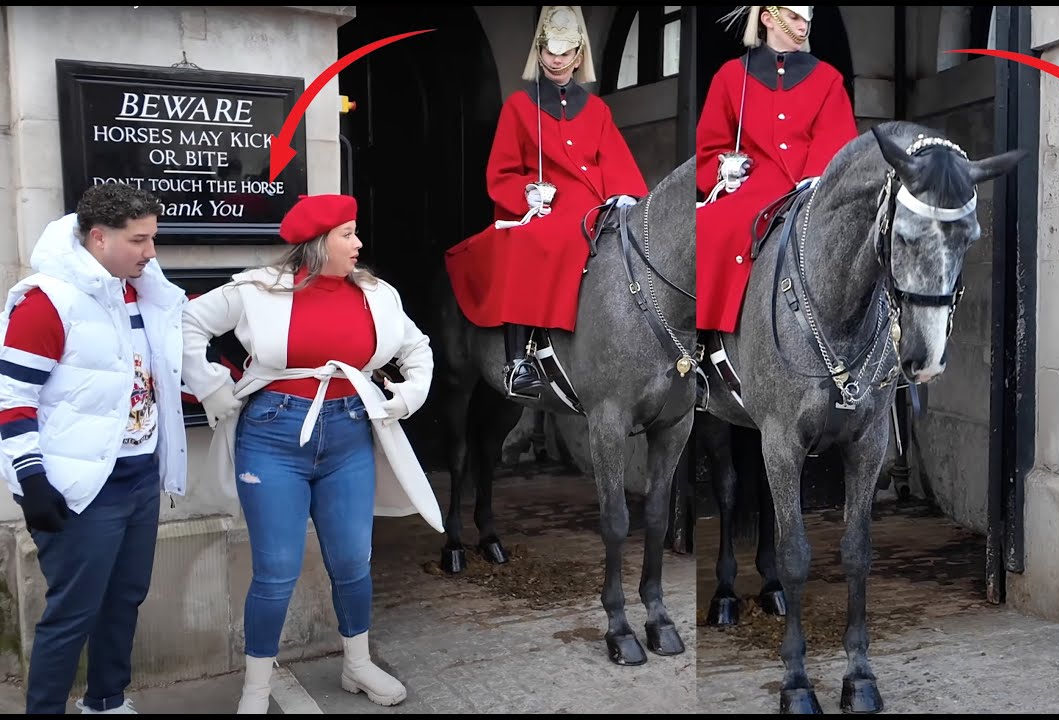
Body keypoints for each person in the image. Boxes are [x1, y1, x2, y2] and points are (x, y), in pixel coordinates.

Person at [180, 193, 443, 713]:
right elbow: (187, 323)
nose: (358, 243)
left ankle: (357, 665)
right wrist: (211, 386)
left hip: (350, 434)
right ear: (319, 242)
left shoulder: (377, 294)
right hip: (273, 436)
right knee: (276, 569)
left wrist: (408, 395)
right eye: (347, 233)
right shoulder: (257, 288)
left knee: (353, 561)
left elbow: (417, 348)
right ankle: (256, 689)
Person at [0, 183, 189, 714]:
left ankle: (106, 701)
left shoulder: (143, 291)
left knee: (124, 598)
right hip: (80, 486)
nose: (151, 252)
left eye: (153, 238)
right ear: (99, 238)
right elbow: (12, 397)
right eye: (139, 240)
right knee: (73, 613)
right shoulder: (46, 301)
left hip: (139, 475)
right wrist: (31, 477)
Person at [443, 5, 649, 399]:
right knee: (529, 241)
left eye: (565, 52)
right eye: (549, 51)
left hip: (596, 205)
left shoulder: (598, 110)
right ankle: (518, 360)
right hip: (547, 207)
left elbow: (616, 163)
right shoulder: (519, 107)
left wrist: (623, 195)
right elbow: (501, 172)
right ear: (539, 52)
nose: (556, 60)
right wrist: (527, 191)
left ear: (578, 56)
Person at [694, 6, 858, 405]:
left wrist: (815, 179)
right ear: (769, 18)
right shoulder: (731, 76)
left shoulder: (827, 78)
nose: (804, 25)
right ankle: (699, 348)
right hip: (751, 187)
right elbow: (710, 145)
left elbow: (837, 138)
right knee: (711, 226)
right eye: (794, 17)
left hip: (810, 187)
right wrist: (723, 168)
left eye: (806, 18)